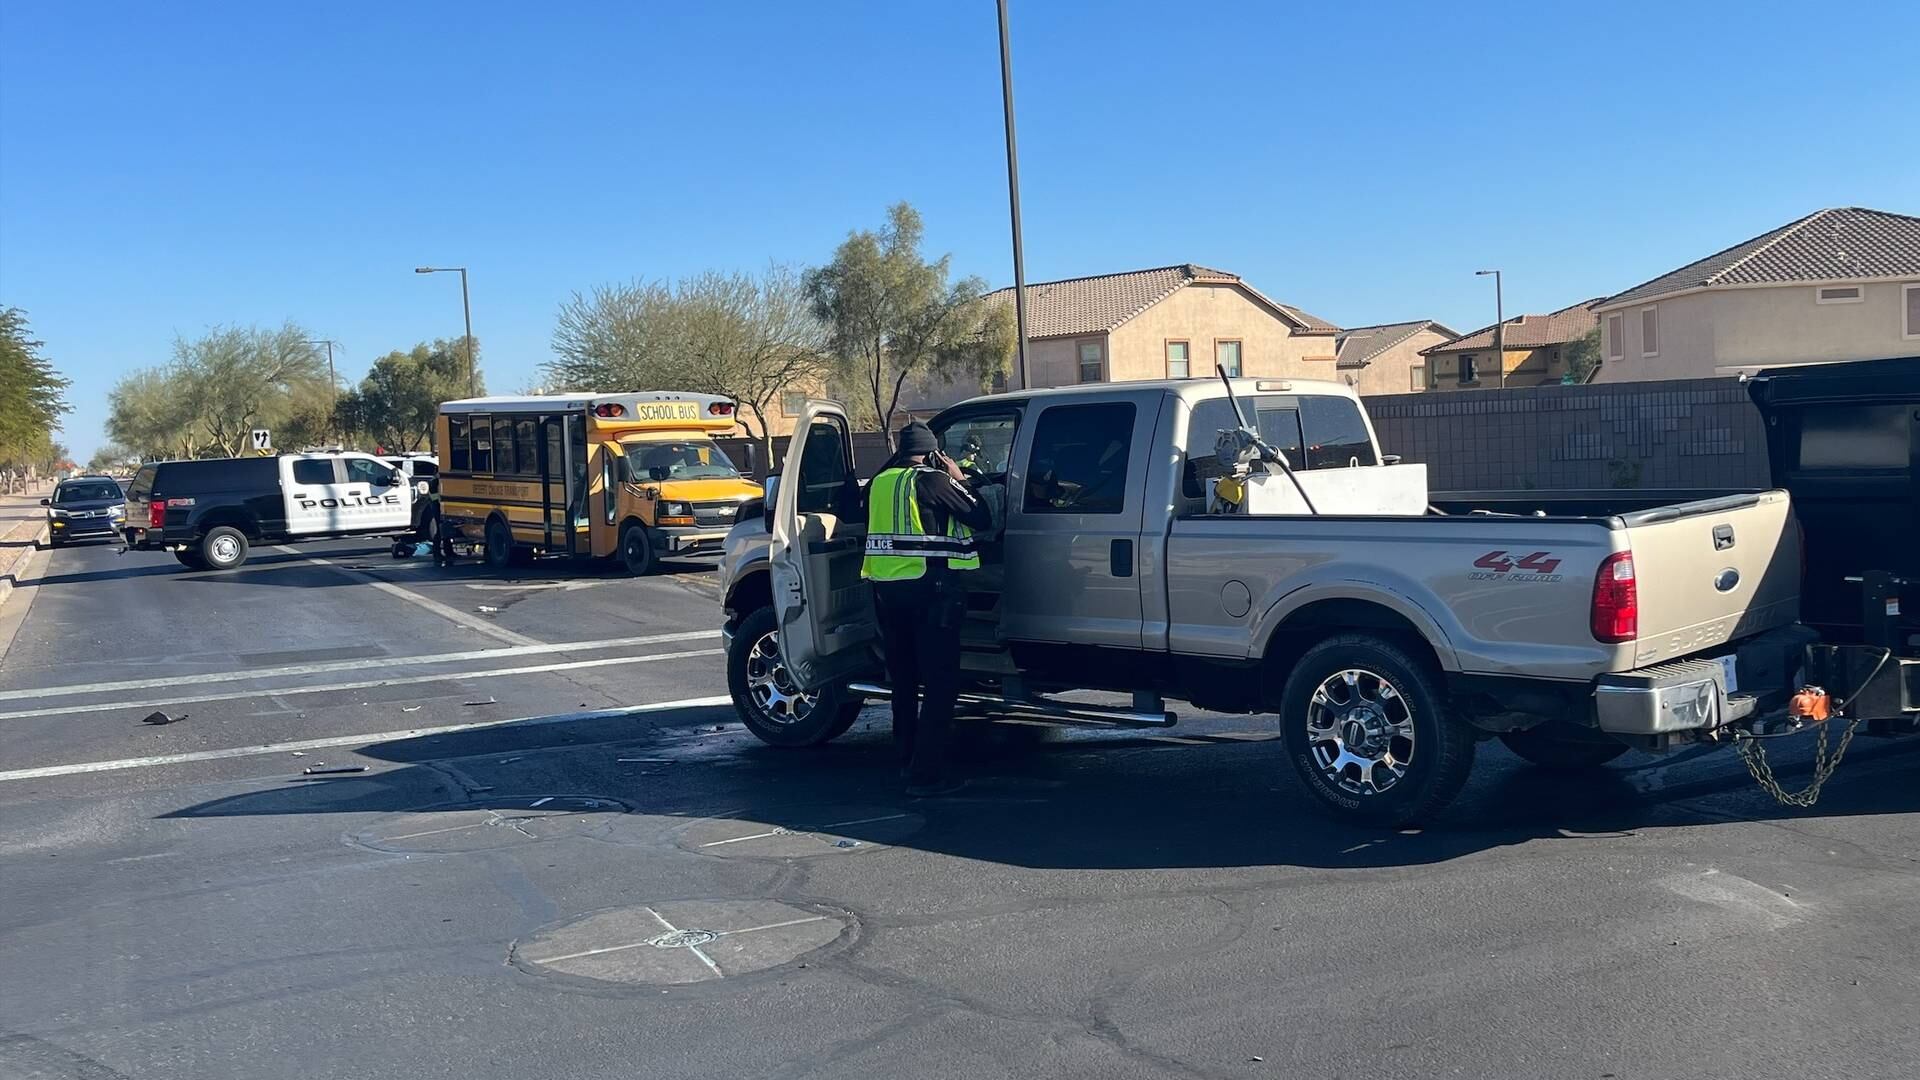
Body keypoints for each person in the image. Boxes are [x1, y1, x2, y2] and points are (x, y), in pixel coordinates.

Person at [862, 419, 995, 796]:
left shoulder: (880, 483)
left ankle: (905, 756)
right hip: (931, 591)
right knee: (940, 683)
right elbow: (980, 515)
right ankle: (927, 773)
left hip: (887, 593)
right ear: (934, 452)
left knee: (903, 681)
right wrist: (960, 477)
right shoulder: (933, 480)